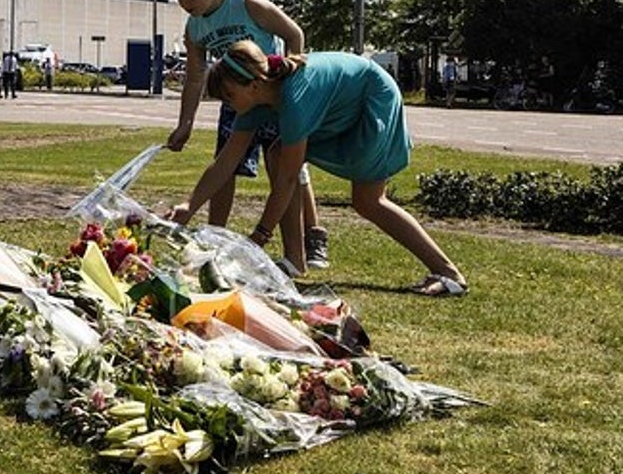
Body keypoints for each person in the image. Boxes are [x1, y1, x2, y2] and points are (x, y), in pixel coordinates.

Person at [170, 40, 468, 297]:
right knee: (278, 153)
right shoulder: (256, 101)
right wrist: (188, 205)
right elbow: (225, 162)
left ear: (255, 85)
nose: (228, 105)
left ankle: (449, 274)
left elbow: (288, 179)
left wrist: (259, 237)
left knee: (369, 201)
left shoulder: (295, 99)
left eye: (230, 96)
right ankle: (295, 260)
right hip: (342, 103)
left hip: (371, 97)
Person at [164, 0, 327, 273]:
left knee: (287, 170)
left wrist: (292, 84)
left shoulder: (248, 5)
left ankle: (311, 237)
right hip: (237, 101)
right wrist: (185, 123)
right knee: (225, 166)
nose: (185, 3)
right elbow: (195, 77)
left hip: (271, 96)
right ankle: (215, 238)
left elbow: (294, 34)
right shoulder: (194, 28)